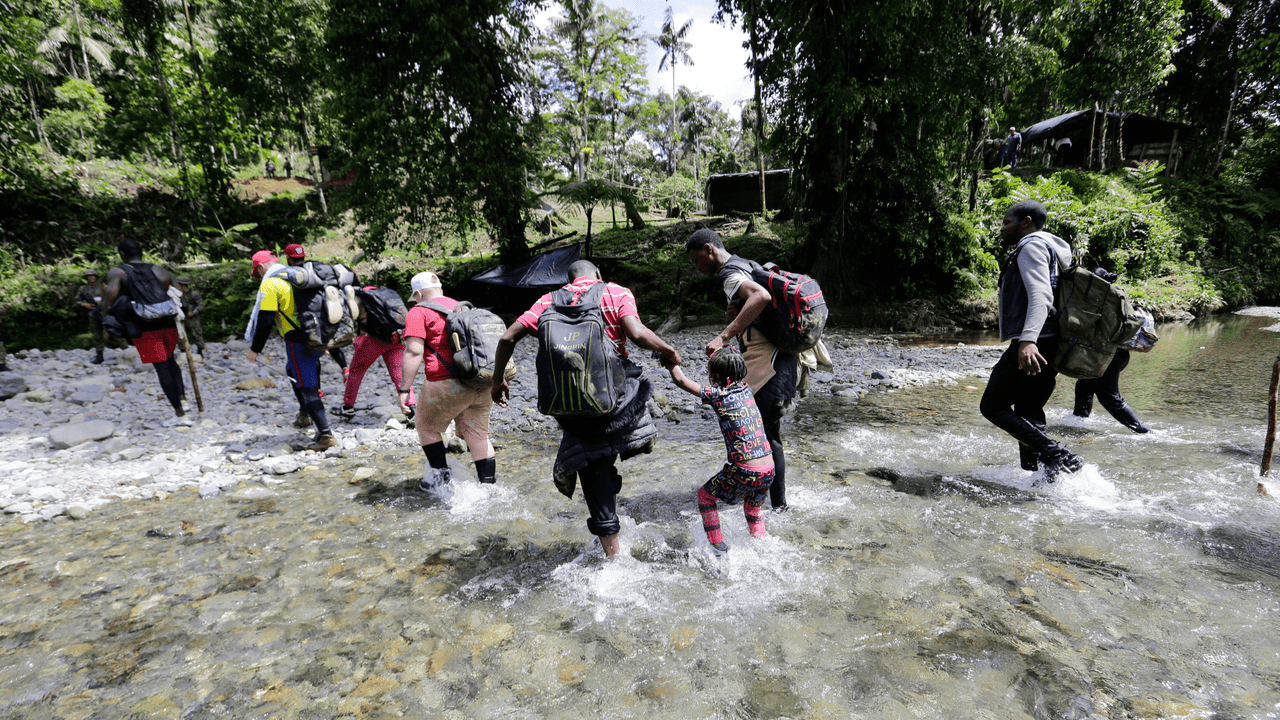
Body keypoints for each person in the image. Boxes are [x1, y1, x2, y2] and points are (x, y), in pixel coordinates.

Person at [491, 260, 682, 560]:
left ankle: (612, 554)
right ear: (598, 275)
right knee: (634, 388)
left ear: (567, 280)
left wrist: (498, 379)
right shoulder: (615, 292)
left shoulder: (547, 300)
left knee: (592, 469)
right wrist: (667, 350)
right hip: (615, 399)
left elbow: (507, 337)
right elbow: (635, 331)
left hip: (570, 403)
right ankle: (633, 442)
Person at [686, 228, 798, 511]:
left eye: (697, 260)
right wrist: (737, 311)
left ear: (710, 250)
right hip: (780, 362)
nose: (697, 267)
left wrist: (723, 336)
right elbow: (756, 302)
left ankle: (777, 507)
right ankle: (768, 505)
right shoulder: (744, 263)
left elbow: (759, 297)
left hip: (770, 367)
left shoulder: (728, 273)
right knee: (768, 435)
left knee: (766, 437)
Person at [979, 200, 1084, 480]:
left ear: (1026, 221)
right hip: (1053, 340)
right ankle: (1044, 479)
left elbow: (1040, 296)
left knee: (992, 406)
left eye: (1006, 222)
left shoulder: (1031, 245)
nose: (1002, 228)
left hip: (1037, 339)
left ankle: (1057, 454)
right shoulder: (1054, 249)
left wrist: (1027, 341)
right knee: (1027, 408)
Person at [668, 347, 774, 556]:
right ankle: (762, 546)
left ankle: (718, 548)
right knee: (752, 509)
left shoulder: (717, 394)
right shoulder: (746, 389)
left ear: (715, 376)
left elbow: (681, 381)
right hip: (769, 469)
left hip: (745, 470)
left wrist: (670, 363)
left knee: (705, 497)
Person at [397, 271, 493, 486]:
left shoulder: (418, 311)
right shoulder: (465, 307)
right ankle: (489, 488)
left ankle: (442, 484)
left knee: (427, 428)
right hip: (481, 381)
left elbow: (414, 352)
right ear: (440, 288)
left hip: (445, 382)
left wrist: (404, 389)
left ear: (419, 293)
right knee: (477, 434)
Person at [244, 249, 337, 451]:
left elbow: (266, 319)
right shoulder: (301, 276)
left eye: (257, 272)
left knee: (308, 387)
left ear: (260, 267)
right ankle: (305, 415)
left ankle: (325, 435)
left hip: (297, 341)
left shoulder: (271, 283)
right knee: (292, 371)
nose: (258, 276)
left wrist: (255, 349)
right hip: (317, 336)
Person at [104, 238, 187, 419]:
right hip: (168, 324)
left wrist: (108, 325)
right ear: (141, 253)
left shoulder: (118, 272)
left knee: (161, 366)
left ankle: (178, 409)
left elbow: (110, 298)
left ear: (122, 254)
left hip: (145, 328)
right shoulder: (159, 270)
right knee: (170, 359)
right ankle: (183, 397)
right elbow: (179, 294)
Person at [1073, 268, 1150, 434]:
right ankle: (1078, 423)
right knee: (1084, 386)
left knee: (1109, 396)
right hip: (1117, 354)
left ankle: (1143, 432)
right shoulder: (1114, 296)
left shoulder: (1101, 299)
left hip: (1109, 356)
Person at [336, 286, 415, 419]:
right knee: (399, 376)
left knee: (356, 371)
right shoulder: (386, 294)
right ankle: (412, 408)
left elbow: (360, 326)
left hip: (375, 340)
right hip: (397, 338)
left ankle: (348, 407)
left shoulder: (363, 298)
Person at [285, 242, 349, 381]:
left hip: (311, 319)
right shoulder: (315, 269)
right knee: (331, 341)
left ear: (289, 258)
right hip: (329, 309)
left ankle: (317, 388)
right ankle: (345, 367)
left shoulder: (295, 275)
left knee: (312, 353)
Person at [74, 269, 107, 364]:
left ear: (96, 277)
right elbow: (77, 300)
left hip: (104, 312)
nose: (91, 277)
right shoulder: (83, 288)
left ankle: (126, 350)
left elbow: (111, 298)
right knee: (97, 334)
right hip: (92, 313)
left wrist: (102, 304)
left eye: (92, 275)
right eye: (88, 276)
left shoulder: (103, 287)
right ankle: (99, 356)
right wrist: (84, 304)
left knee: (111, 332)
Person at [173, 276, 206, 355]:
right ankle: (183, 351)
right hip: (181, 317)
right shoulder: (178, 294)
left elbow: (201, 304)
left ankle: (200, 351)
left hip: (193, 317)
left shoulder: (193, 293)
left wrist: (194, 312)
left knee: (197, 333)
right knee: (181, 334)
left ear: (183, 285)